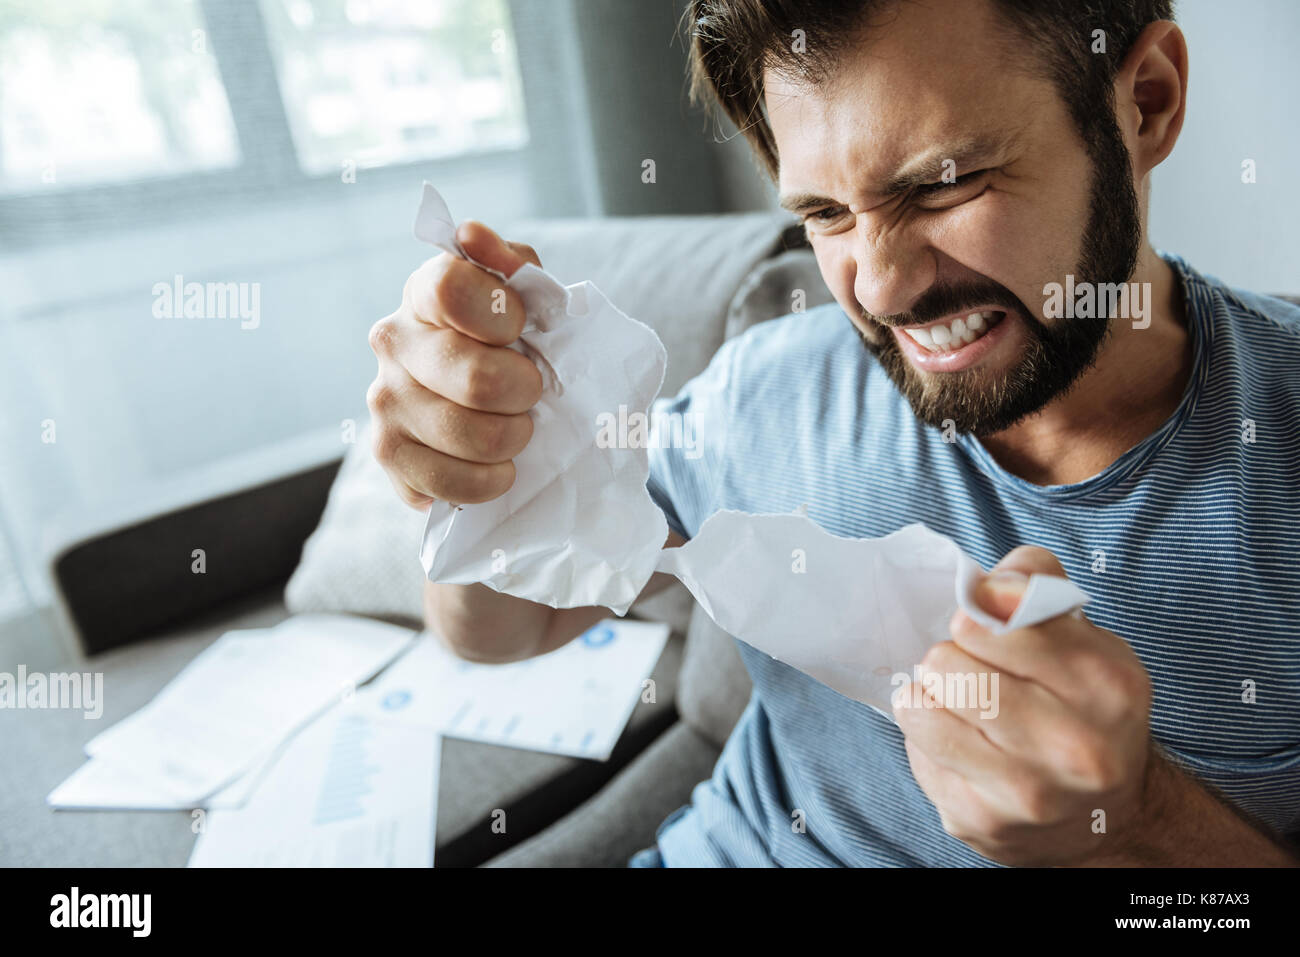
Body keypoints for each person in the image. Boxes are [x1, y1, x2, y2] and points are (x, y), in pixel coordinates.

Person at [366, 0, 1300, 866]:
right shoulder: (769, 388)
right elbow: (502, 627)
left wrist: (1135, 820)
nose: (880, 290)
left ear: (1147, 102)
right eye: (825, 213)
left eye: (946, 185)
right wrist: (484, 479)